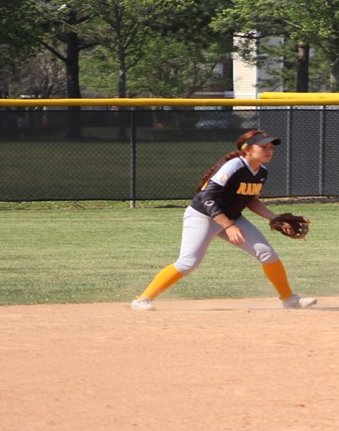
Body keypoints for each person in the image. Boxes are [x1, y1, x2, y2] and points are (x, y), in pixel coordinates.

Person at [131, 130, 316, 311]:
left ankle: (289, 299)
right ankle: (142, 299)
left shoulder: (261, 172)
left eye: (271, 147)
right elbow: (208, 199)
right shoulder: (234, 166)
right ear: (247, 149)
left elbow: (252, 200)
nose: (269, 151)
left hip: (232, 218)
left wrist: (274, 217)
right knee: (188, 262)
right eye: (263, 147)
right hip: (202, 216)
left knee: (267, 254)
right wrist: (228, 226)